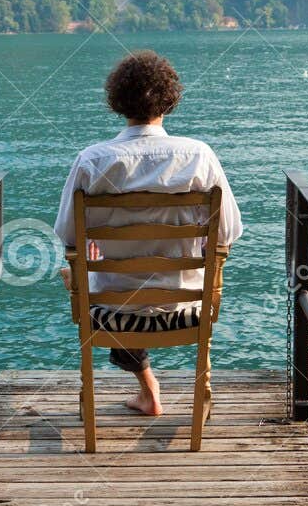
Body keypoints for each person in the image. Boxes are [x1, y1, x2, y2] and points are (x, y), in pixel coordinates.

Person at [55, 50, 242, 417]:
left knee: (85, 276)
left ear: (117, 101)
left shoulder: (92, 160)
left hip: (112, 308)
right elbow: (228, 232)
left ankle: (147, 389)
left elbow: (68, 237)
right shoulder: (198, 156)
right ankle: (174, 393)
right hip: (185, 306)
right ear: (169, 100)